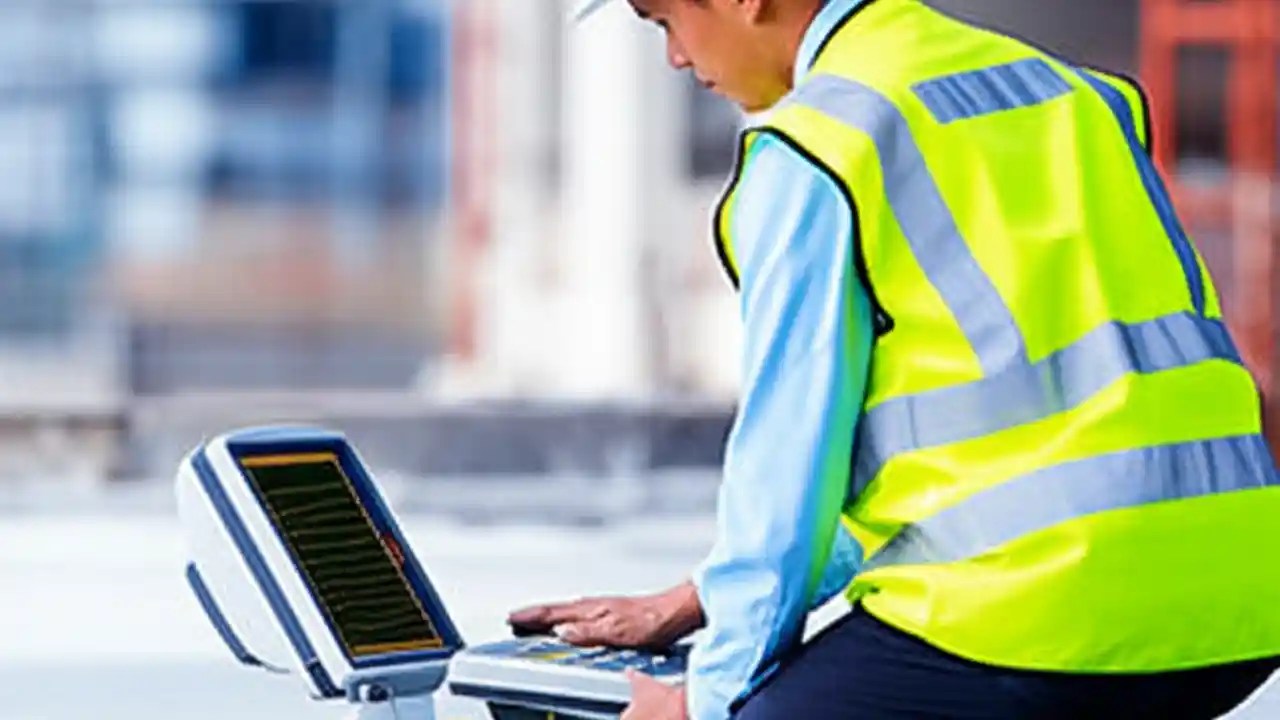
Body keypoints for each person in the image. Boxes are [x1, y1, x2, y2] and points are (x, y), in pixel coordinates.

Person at [510, 0, 1280, 717]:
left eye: (665, 20)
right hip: (1241, 611)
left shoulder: (818, 146)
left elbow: (788, 472)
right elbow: (1000, 455)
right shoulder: (1070, 95)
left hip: (1051, 622)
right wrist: (700, 598)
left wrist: (703, 699)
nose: (677, 57)